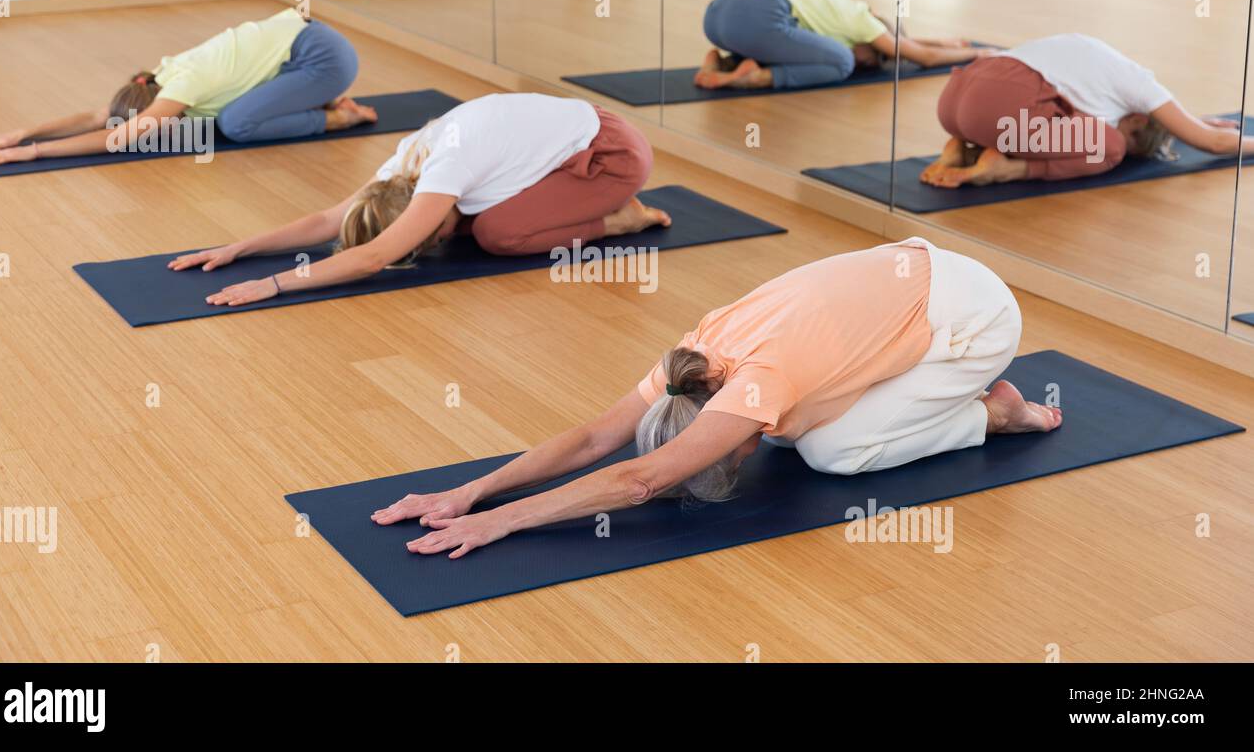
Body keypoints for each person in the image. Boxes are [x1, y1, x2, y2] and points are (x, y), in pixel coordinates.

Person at [370, 238, 1061, 558]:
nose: (747, 446)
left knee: (830, 450)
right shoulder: (692, 357)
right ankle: (909, 379)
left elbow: (639, 481)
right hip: (909, 273)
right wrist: (469, 492)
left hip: (975, 316)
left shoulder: (761, 377)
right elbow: (592, 439)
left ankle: (994, 412)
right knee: (796, 425)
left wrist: (503, 520)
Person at [168, 93, 670, 306]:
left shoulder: (444, 167)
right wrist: (239, 248)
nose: (434, 245)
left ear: (419, 217)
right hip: (573, 138)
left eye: (427, 239)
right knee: (477, 220)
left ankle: (623, 220)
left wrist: (274, 284)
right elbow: (327, 218)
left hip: (613, 154)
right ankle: (586, 206)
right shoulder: (401, 169)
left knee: (496, 234)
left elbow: (375, 256)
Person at [0, 7, 376, 165]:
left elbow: (117, 138)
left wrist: (36, 153)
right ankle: (319, 99)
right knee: (225, 118)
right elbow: (99, 116)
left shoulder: (184, 85)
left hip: (325, 59)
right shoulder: (159, 75)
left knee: (236, 124)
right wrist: (22, 133)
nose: (157, 129)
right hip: (300, 51)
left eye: (152, 122)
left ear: (153, 110)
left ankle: (338, 117)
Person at [920, 33, 1254, 187]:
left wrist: (1191, 121)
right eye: (1134, 138)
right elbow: (1213, 143)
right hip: (1003, 110)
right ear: (1138, 118)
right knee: (1108, 147)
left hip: (954, 100)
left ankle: (964, 147)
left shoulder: (1112, 67)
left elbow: (1172, 120)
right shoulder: (1142, 84)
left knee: (1058, 123)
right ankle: (1006, 169)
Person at [693, 0, 990, 90]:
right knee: (840, 62)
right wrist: (977, 52)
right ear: (873, 41)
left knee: (800, 47)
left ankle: (721, 62)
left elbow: (905, 43)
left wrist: (942, 39)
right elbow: (921, 57)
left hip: (717, 16)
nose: (863, 64)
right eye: (871, 60)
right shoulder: (865, 21)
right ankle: (756, 77)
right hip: (760, 15)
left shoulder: (844, 13)